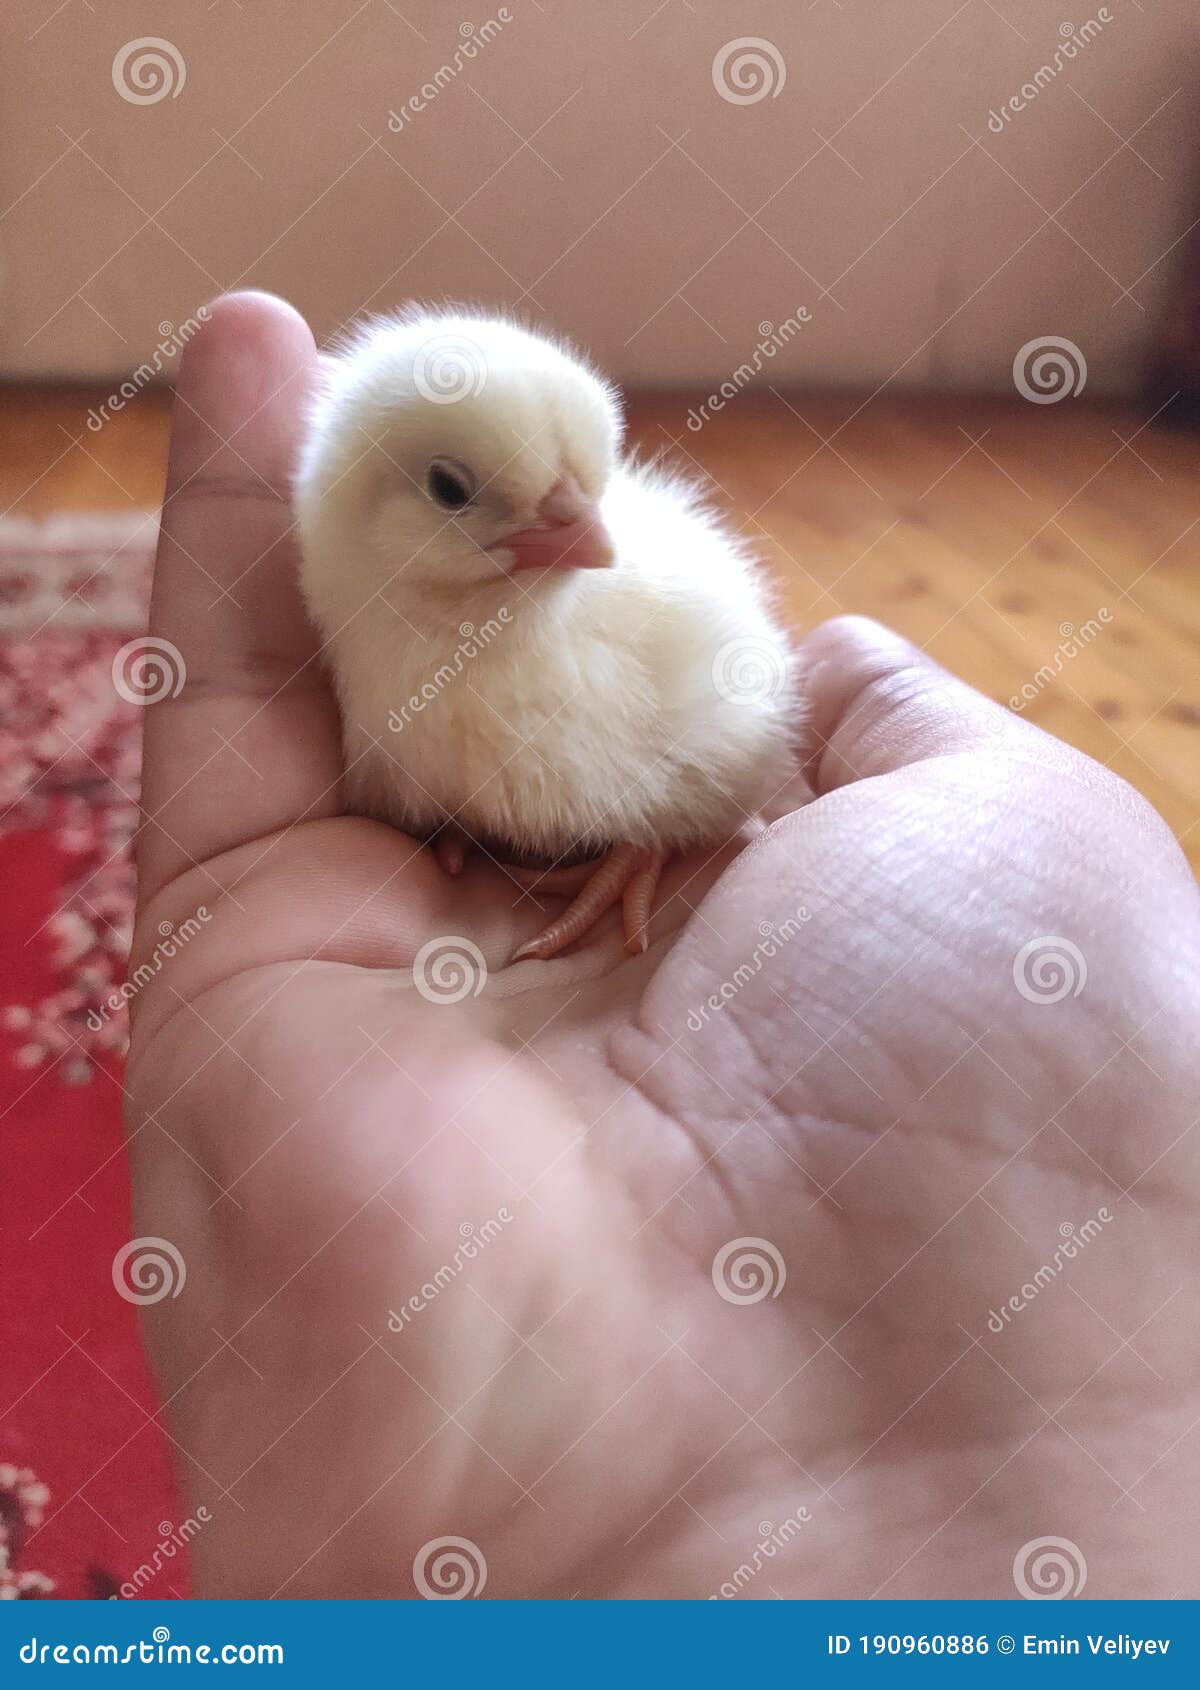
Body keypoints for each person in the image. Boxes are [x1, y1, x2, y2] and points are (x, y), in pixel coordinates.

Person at [126, 292, 1199, 1599]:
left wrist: (663, 831)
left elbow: (738, 721)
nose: (582, 531)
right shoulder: (383, 628)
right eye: (476, 493)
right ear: (362, 501)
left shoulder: (634, 612)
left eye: (579, 485)